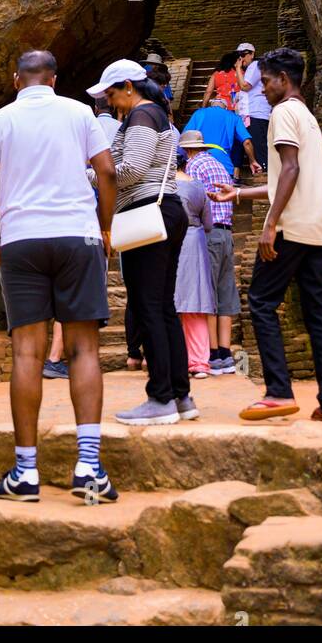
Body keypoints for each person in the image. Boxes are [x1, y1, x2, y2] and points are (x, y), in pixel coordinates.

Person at [0, 50, 118, 502]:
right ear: (54, 79)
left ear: (17, 80)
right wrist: (105, 226)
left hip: (21, 240)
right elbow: (107, 171)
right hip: (77, 235)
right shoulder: (79, 113)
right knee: (83, 349)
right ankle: (89, 466)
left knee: (28, 355)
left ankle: (26, 472)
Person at [211, 47, 322, 424]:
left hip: (289, 228)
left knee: (261, 301)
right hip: (315, 228)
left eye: (266, 81)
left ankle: (278, 392)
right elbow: (284, 179)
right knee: (318, 315)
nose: (261, 89)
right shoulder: (307, 116)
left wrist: (270, 224)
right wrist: (237, 192)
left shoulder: (282, 113)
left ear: (283, 80)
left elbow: (289, 170)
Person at [86, 59, 196, 425]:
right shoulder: (153, 113)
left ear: (128, 87)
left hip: (148, 212)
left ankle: (160, 397)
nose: (110, 101)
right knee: (163, 308)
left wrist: (87, 174)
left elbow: (131, 169)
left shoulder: (141, 116)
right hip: (164, 212)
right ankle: (180, 396)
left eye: (112, 93)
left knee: (149, 306)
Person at [178, 130, 241, 375]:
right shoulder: (216, 162)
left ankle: (212, 353)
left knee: (208, 291)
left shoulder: (192, 168)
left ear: (186, 150)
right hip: (227, 232)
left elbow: (192, 200)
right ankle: (225, 353)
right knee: (226, 292)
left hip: (209, 231)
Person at [174, 151, 216, 378]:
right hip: (195, 241)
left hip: (169, 241)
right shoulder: (198, 187)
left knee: (170, 302)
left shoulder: (165, 187)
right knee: (195, 302)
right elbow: (208, 224)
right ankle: (199, 361)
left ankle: (174, 357)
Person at [182, 100, 261, 178]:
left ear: (211, 105)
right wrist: (252, 161)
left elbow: (185, 136)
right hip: (223, 162)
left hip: (199, 160)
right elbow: (247, 142)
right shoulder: (233, 117)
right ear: (226, 107)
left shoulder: (199, 113)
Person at [235, 42, 272, 169]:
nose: (241, 58)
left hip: (257, 112)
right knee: (257, 145)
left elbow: (245, 86)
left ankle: (265, 173)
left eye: (244, 54)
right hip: (253, 113)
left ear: (252, 54)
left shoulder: (256, 65)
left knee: (260, 146)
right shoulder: (250, 69)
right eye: (239, 55)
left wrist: (238, 69)